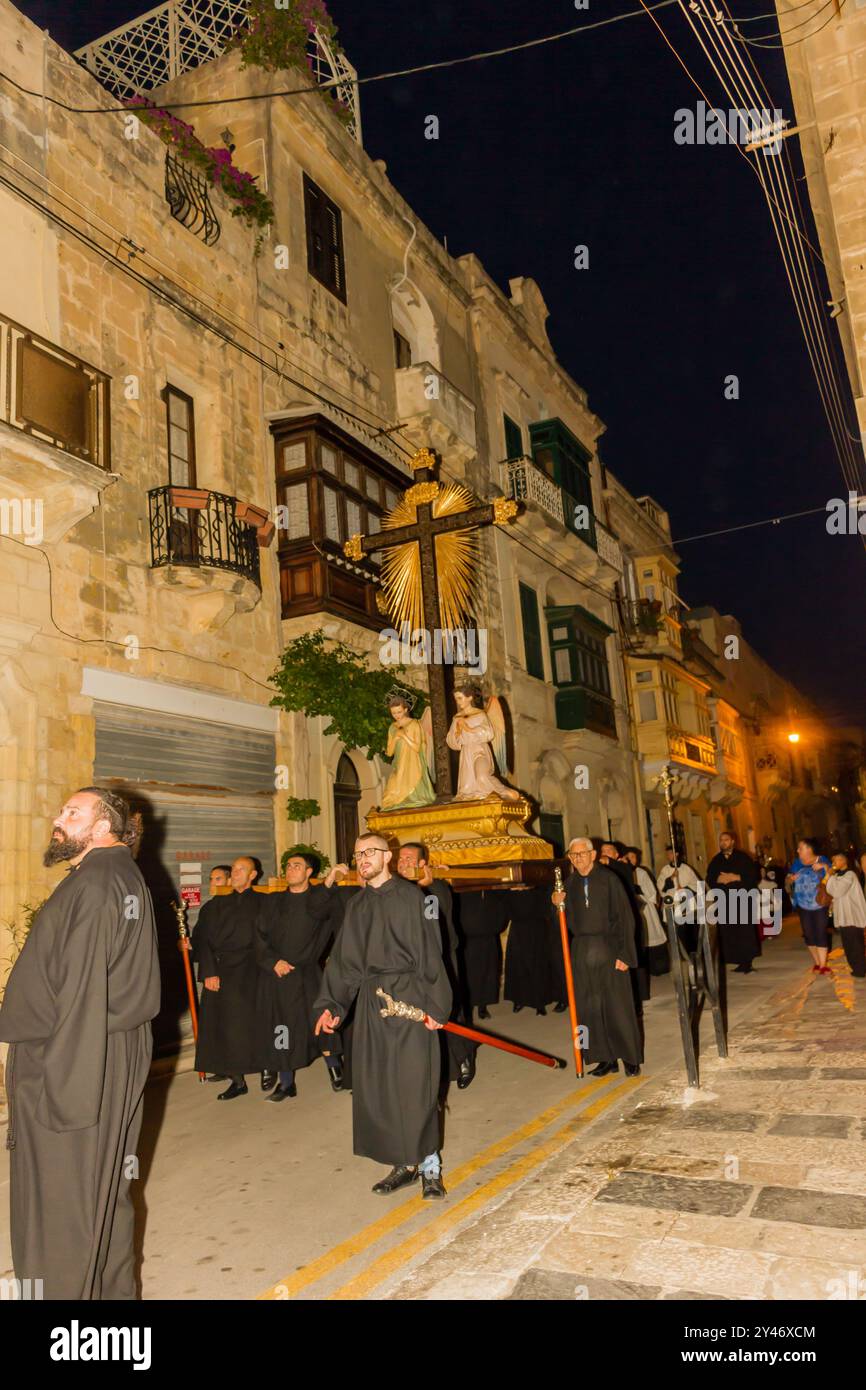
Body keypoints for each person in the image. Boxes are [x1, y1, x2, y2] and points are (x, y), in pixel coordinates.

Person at [0, 787, 160, 1300]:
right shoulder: (113, 875)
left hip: (74, 1060)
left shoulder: (97, 883)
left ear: (103, 827)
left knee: (62, 1202)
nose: (57, 817)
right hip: (99, 1052)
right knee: (104, 1194)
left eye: (72, 812)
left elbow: (82, 994)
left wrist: (67, 1097)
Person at [314, 834, 452, 1199]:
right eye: (358, 854)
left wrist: (437, 1006)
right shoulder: (357, 905)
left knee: (415, 1084)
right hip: (373, 1006)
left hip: (411, 1000)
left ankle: (430, 1165)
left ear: (387, 857)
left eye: (370, 852)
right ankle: (403, 1162)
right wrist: (332, 1004)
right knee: (383, 1087)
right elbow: (344, 962)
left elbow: (431, 954)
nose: (363, 859)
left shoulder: (413, 898)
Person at [256, 852, 345, 1102]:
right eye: (288, 865)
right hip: (279, 976)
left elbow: (318, 912)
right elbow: (259, 936)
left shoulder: (321, 900)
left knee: (322, 1022)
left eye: (297, 866)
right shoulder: (273, 901)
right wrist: (273, 962)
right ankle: (286, 1082)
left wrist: (330, 881)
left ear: (309, 873)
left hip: (308, 974)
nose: (290, 869)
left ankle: (336, 1070)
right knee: (281, 1028)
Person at [552, 837, 642, 1077]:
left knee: (617, 1007)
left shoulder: (610, 880)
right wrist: (556, 904)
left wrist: (625, 954)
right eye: (573, 855)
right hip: (582, 950)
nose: (577, 858)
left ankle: (629, 1058)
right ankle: (603, 1058)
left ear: (593, 855)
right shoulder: (568, 885)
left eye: (581, 854)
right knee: (589, 1008)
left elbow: (625, 918)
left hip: (610, 948)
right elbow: (562, 924)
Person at [396, 842, 476, 1090]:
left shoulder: (436, 889)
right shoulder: (396, 889)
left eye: (409, 859)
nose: (403, 863)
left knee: (448, 1012)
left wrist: (422, 889)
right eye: (400, 859)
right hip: (410, 964)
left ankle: (464, 1060)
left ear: (422, 864)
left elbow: (432, 920)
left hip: (440, 961)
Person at [193, 856, 265, 1098]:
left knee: (256, 1023)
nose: (235, 873)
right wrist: (209, 972)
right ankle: (237, 1079)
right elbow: (202, 942)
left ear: (253, 875)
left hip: (254, 971)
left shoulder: (265, 901)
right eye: (232, 869)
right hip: (222, 972)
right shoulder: (214, 906)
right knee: (224, 1027)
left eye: (240, 869)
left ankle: (268, 1067)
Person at [446, 683, 520, 801]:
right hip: (466, 753)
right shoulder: (456, 717)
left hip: (480, 750)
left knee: (481, 776)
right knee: (468, 787)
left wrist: (468, 728)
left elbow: (488, 733)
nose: (458, 702)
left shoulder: (480, 714)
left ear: (469, 697)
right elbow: (451, 741)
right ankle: (478, 796)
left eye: (460, 698)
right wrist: (458, 732)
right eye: (456, 699)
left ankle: (504, 791)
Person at [706, 831, 761, 973]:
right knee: (729, 931)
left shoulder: (743, 858)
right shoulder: (716, 860)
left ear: (732, 841)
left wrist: (736, 877)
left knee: (744, 931)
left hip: (741, 898)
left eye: (726, 840)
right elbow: (710, 878)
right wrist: (719, 879)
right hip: (724, 900)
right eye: (721, 840)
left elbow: (753, 876)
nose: (723, 842)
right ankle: (735, 958)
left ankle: (746, 961)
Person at [504, 885, 558, 1015]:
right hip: (518, 929)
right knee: (519, 965)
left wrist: (530, 887)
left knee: (538, 967)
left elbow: (546, 900)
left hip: (537, 928)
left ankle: (540, 1003)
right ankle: (519, 1000)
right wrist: (513, 889)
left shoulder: (539, 883)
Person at [380, 693, 435, 810]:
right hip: (399, 764)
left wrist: (404, 736)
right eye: (393, 713)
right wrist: (395, 737)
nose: (397, 715)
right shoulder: (392, 727)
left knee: (415, 797)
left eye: (399, 712)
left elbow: (416, 747)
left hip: (413, 764)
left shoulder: (414, 724)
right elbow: (389, 753)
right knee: (389, 796)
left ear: (405, 709)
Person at [786, 838, 832, 974]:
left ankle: (823, 965)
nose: (797, 850)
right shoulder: (796, 863)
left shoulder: (822, 859)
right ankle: (817, 963)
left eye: (800, 847)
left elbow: (833, 876)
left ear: (809, 849)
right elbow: (788, 879)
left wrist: (824, 867)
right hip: (802, 904)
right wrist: (790, 879)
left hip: (820, 903)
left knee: (820, 932)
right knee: (808, 934)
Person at [624, 847, 669, 976]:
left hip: (645, 908)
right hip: (631, 908)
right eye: (629, 857)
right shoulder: (622, 871)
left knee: (651, 934)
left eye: (633, 857)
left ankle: (659, 968)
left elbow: (652, 893)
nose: (631, 859)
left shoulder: (641, 872)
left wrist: (639, 891)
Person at [820, 852, 866, 978]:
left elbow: (838, 890)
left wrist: (829, 875)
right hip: (844, 917)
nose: (834, 863)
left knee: (855, 945)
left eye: (837, 860)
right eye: (833, 860)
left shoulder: (850, 874)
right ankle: (856, 968)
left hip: (852, 917)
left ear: (845, 861)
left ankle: (860, 969)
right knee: (848, 945)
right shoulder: (839, 876)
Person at [657, 845, 700, 954]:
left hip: (686, 902)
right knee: (677, 931)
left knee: (690, 929)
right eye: (667, 854)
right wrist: (671, 878)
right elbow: (660, 887)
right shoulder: (665, 870)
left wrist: (684, 889)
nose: (668, 856)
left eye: (671, 853)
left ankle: (693, 952)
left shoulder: (686, 869)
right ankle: (680, 954)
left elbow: (696, 884)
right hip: (673, 904)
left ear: (677, 854)